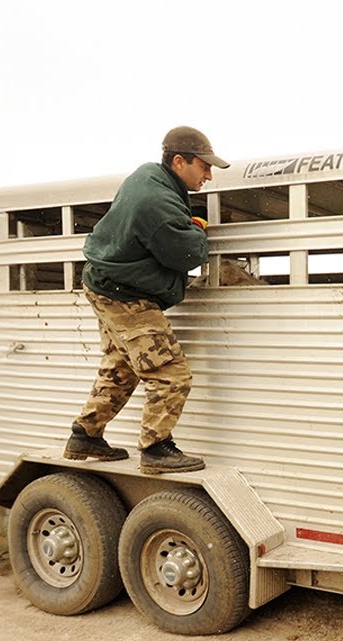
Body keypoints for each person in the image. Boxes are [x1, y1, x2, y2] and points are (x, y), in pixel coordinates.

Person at [63, 126, 229, 473]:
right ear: (179, 161)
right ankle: (156, 449)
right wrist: (197, 228)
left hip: (106, 286)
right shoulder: (156, 201)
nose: (209, 175)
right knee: (171, 374)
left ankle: (85, 435)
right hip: (125, 295)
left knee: (121, 367)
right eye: (204, 166)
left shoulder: (148, 177)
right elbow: (187, 256)